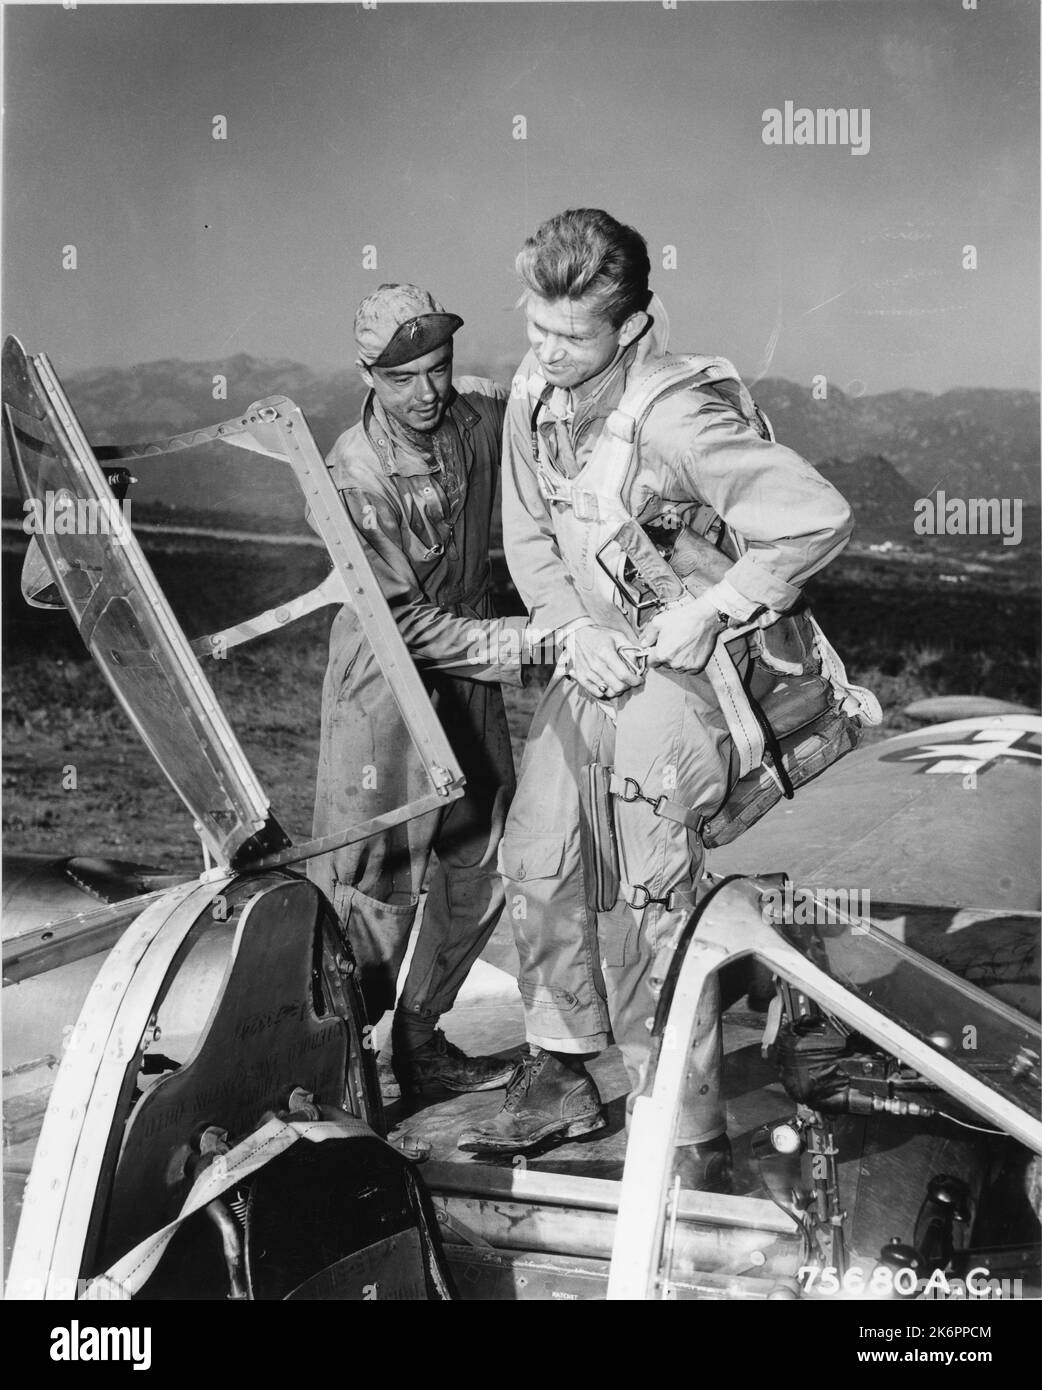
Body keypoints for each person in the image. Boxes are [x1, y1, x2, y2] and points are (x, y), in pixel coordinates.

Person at [458, 210, 853, 1189]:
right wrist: (569, 628)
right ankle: (559, 1067)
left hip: (692, 669)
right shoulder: (532, 391)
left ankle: (684, 1134)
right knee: (538, 846)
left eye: (571, 337)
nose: (545, 352)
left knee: (642, 884)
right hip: (603, 654)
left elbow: (813, 519)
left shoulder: (678, 416)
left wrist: (715, 606)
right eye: (534, 326)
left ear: (631, 329)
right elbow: (528, 538)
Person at [309, 283, 528, 1098]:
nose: (428, 392)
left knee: (483, 856)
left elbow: (550, 408)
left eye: (438, 369)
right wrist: (527, 643)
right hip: (389, 677)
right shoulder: (355, 470)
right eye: (404, 379)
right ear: (369, 374)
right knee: (377, 879)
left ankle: (419, 1037)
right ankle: (337, 1066)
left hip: (469, 665)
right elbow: (402, 621)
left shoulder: (474, 414)